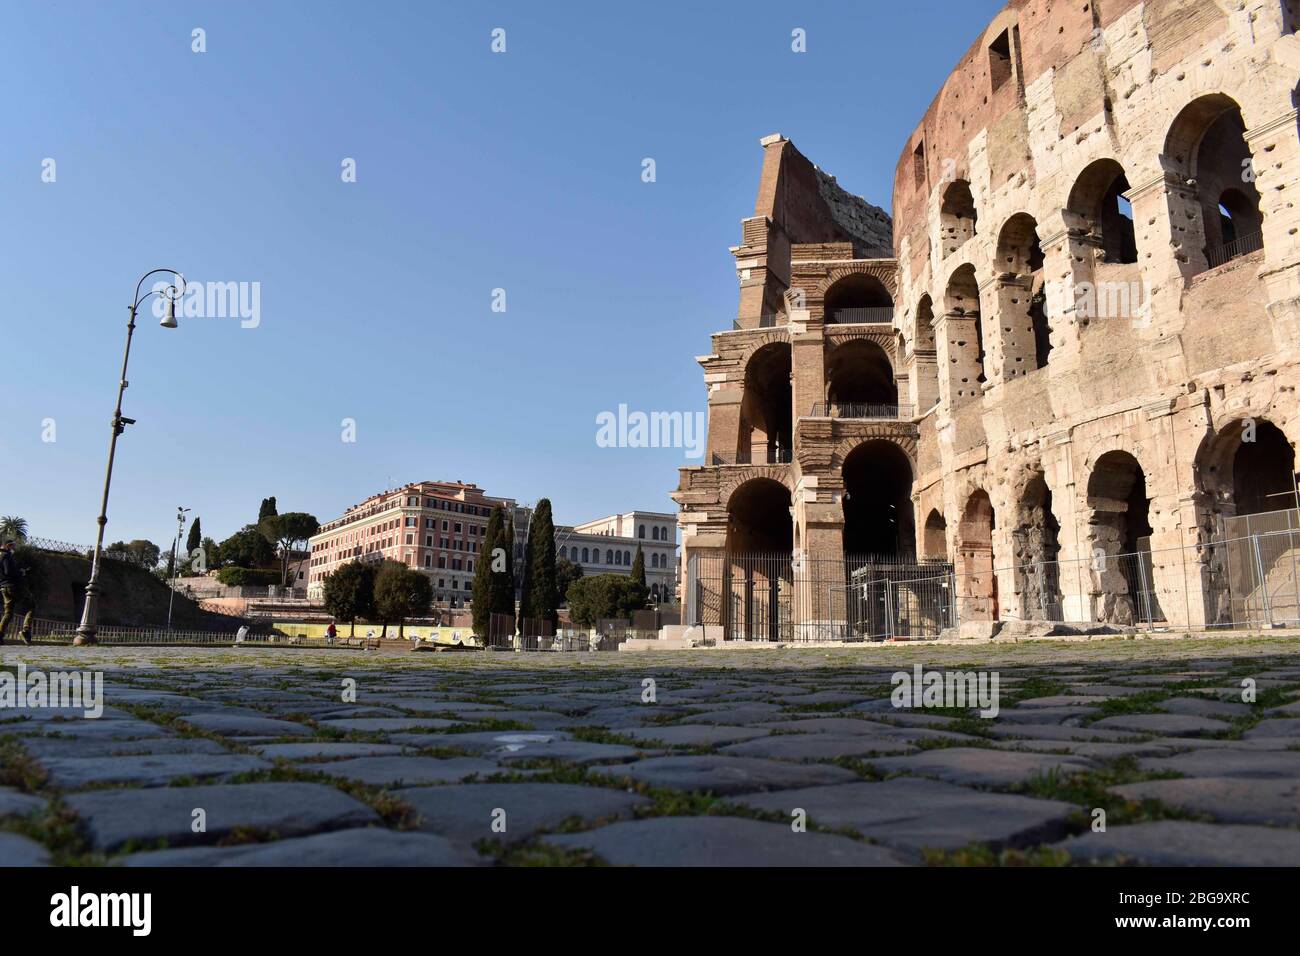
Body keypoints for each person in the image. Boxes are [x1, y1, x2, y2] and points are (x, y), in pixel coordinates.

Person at [0, 540, 33, 645]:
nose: (14, 548)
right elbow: (8, 572)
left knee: (8, 613)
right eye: (13, 546)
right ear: (8, 546)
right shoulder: (5, 555)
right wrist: (20, 572)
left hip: (3, 587)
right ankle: (25, 631)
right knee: (31, 605)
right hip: (13, 586)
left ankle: (0, 636)